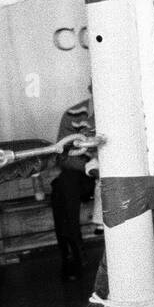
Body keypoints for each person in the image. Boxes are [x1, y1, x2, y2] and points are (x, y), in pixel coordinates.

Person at [49, 86, 97, 281]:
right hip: (85, 173)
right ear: (91, 86)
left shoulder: (127, 108)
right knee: (62, 186)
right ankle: (71, 253)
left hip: (120, 172)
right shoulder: (73, 114)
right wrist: (90, 168)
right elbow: (63, 154)